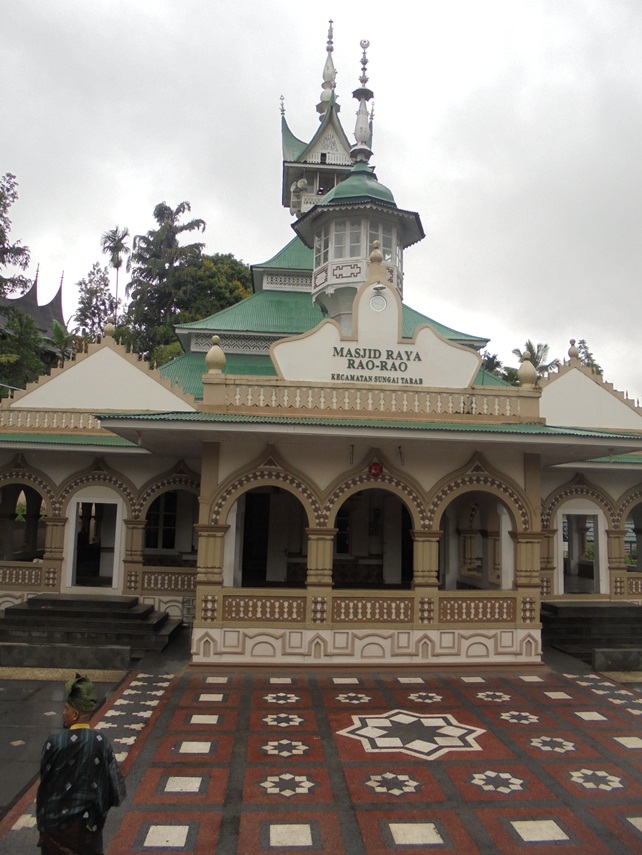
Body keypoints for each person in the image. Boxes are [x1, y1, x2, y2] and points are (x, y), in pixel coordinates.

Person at [36, 674, 126, 854]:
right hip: (86, 829)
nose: (63, 712)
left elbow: (45, 782)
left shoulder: (54, 742)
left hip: (53, 827)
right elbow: (117, 790)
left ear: (75, 714)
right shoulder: (101, 742)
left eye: (66, 709)